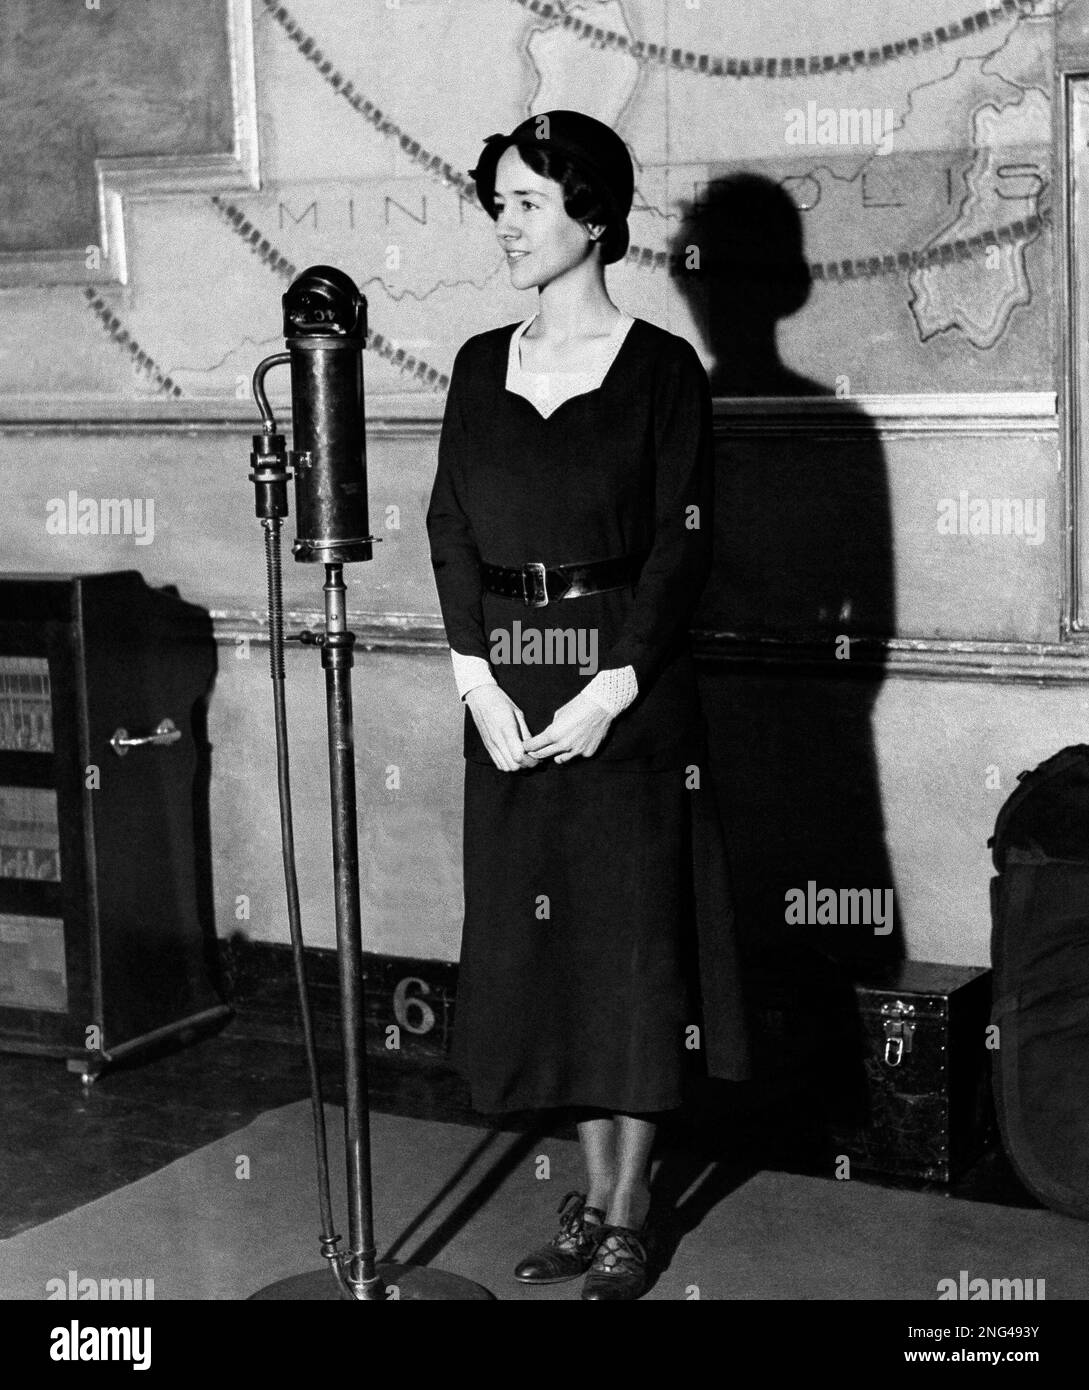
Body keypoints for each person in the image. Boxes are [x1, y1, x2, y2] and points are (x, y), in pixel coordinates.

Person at [425, 110, 749, 1301]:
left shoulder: (664, 372)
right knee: (547, 956)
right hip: (507, 689)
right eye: (497, 202)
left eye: (525, 204)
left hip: (629, 695)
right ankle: (595, 1192)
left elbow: (680, 548)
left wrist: (615, 686)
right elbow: (447, 523)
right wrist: (476, 679)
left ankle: (625, 1211)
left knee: (630, 951)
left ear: (594, 215)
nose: (502, 224)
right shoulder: (473, 363)